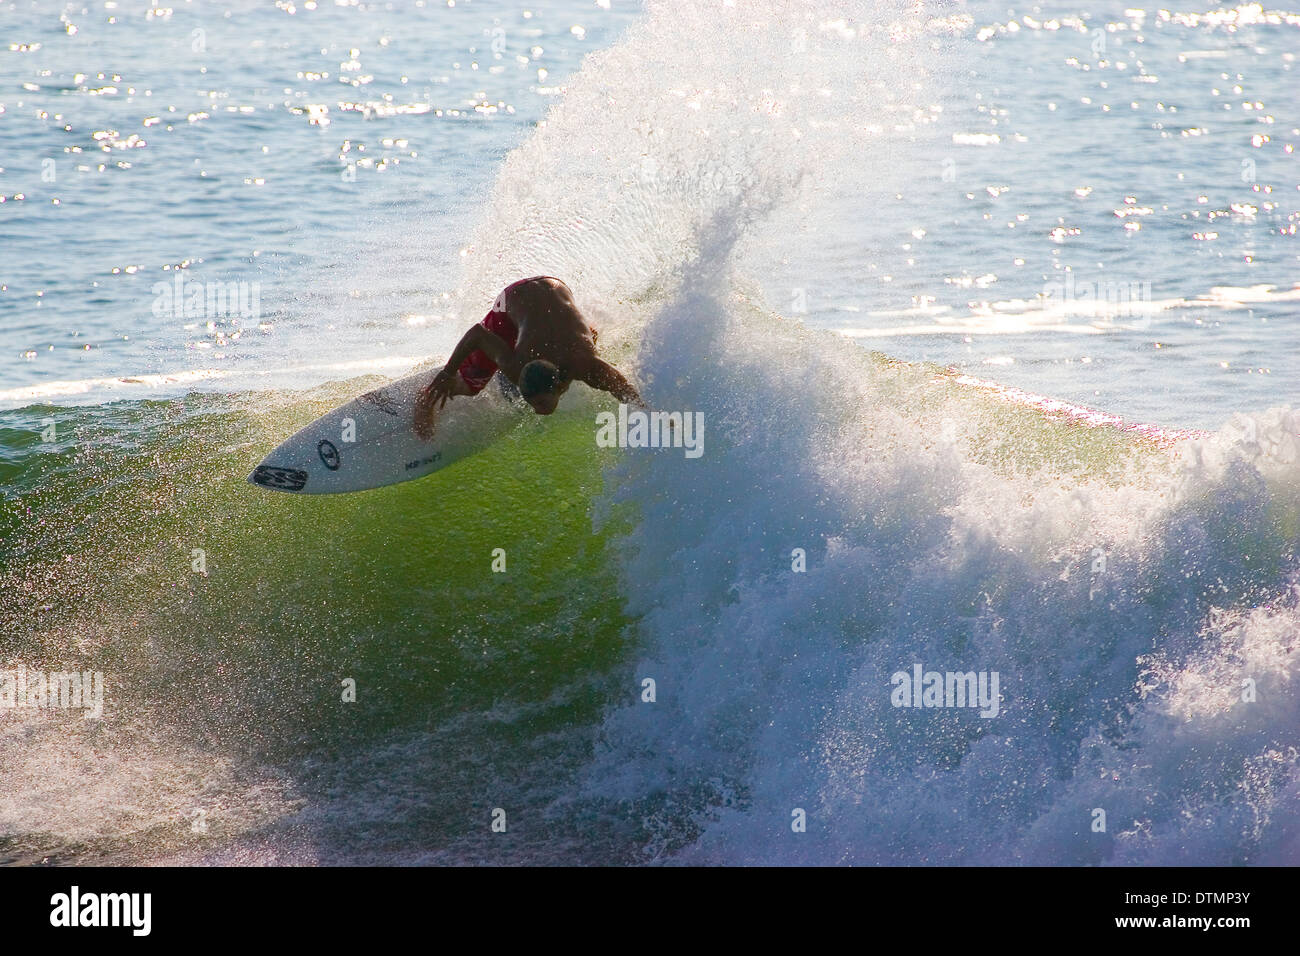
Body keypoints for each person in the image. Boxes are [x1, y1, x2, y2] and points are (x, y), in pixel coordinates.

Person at [414, 276, 643, 438]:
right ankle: (425, 398)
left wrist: (650, 413)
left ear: (557, 385)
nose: (536, 410)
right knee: (474, 383)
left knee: (585, 343)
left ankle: (578, 333)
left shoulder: (585, 365)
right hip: (510, 299)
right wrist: (448, 373)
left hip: (553, 285)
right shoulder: (515, 365)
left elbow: (622, 389)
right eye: (534, 402)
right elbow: (477, 334)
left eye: (539, 402)